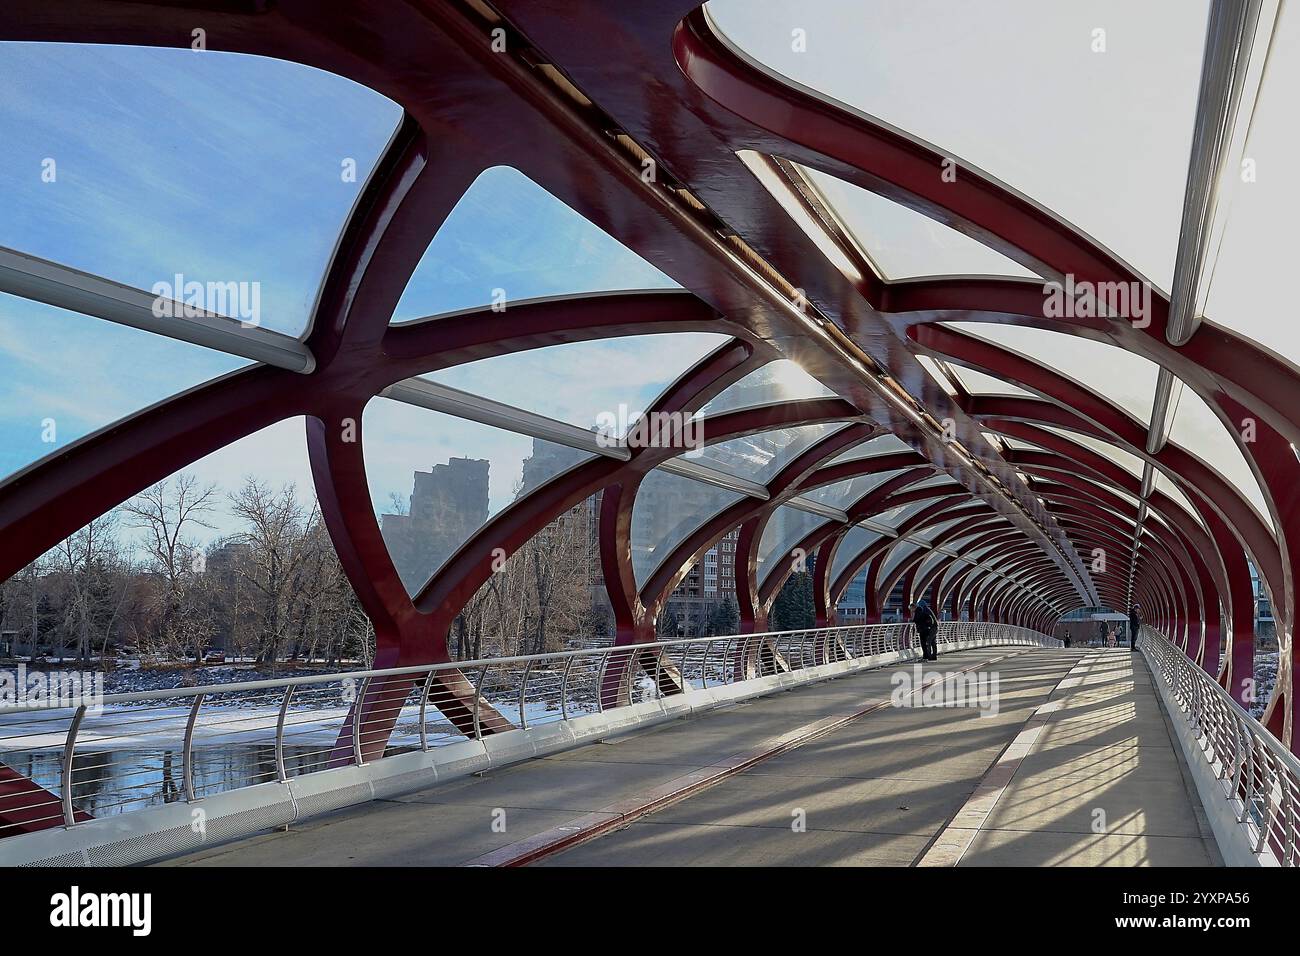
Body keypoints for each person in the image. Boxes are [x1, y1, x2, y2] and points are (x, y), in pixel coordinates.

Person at [912, 597, 939, 661]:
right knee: (933, 642)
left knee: (928, 642)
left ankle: (928, 656)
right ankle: (934, 656)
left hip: (932, 628)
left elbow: (920, 618)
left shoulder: (924, 610)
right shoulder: (928, 609)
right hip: (935, 627)